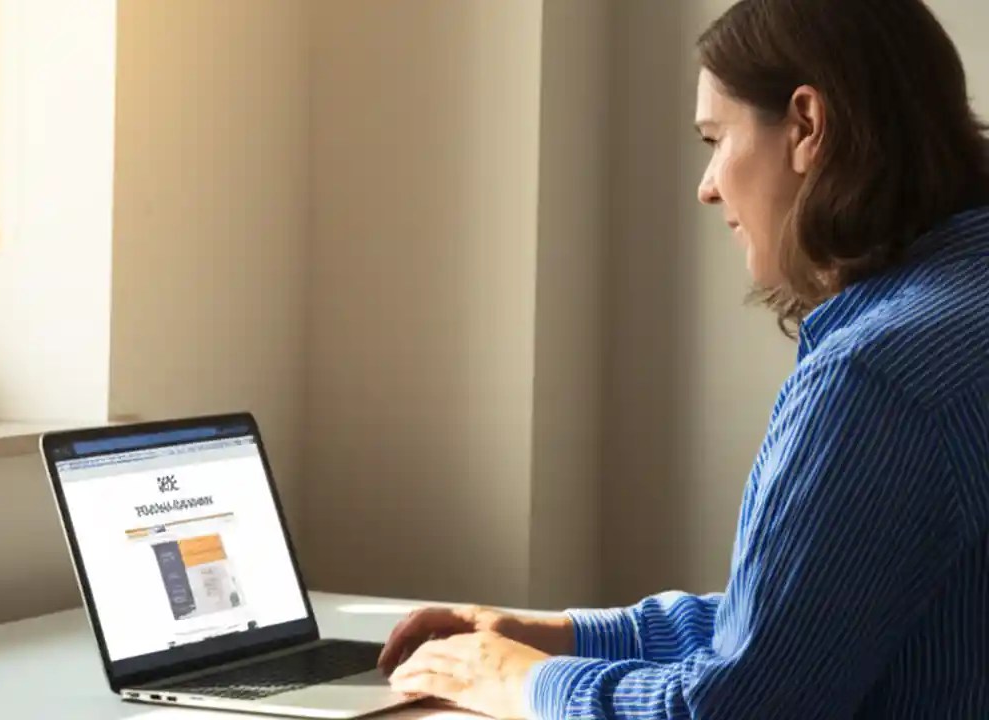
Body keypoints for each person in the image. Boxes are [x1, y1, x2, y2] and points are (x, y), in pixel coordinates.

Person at [377, 0, 989, 717]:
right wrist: (559, 636)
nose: (707, 186)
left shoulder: (877, 380)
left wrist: (515, 679)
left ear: (806, 125)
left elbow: (736, 707)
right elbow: (811, 620)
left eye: (715, 137)